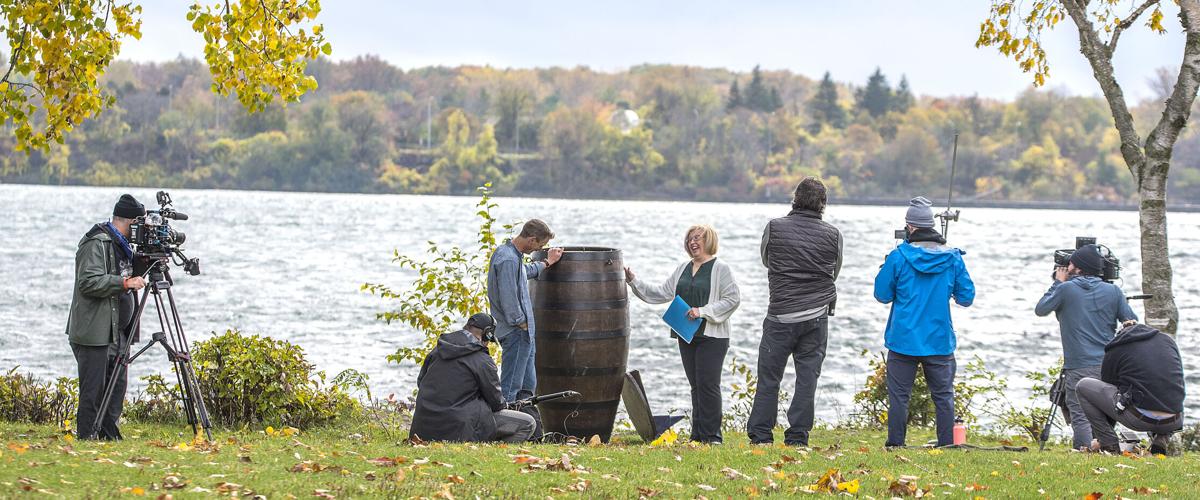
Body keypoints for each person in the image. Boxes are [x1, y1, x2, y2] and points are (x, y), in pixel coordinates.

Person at [747, 177, 842, 446]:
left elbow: (767, 260)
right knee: (807, 379)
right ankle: (798, 436)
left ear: (795, 198)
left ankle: (761, 435)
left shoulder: (774, 228)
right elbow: (834, 271)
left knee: (769, 378)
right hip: (816, 316)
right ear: (823, 204)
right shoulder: (834, 235)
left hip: (780, 315)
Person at [625, 225, 741, 444]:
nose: (692, 242)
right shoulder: (683, 268)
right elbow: (660, 293)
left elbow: (733, 299)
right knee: (696, 385)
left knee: (708, 384)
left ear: (709, 241)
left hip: (713, 336)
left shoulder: (720, 268)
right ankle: (697, 435)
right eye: (689, 239)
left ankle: (713, 437)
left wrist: (703, 311)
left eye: (697, 238)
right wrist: (634, 281)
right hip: (686, 335)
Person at [873, 196, 974, 447]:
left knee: (899, 396)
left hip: (903, 339)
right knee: (943, 396)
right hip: (939, 339)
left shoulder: (898, 257)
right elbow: (966, 297)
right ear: (933, 226)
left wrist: (886, 268)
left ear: (910, 227)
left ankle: (896, 443)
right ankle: (947, 444)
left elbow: (882, 294)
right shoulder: (952, 258)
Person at [1035, 243, 1137, 450]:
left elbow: (1041, 309)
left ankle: (1082, 452)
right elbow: (1131, 322)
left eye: (1071, 263)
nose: (1067, 266)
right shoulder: (1113, 291)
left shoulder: (1065, 289)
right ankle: (1102, 447)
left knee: (1079, 412)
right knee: (1107, 410)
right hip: (1108, 364)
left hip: (1079, 364)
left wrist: (1057, 282)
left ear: (1079, 268)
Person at [66, 194, 147, 440]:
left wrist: (145, 263)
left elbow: (128, 272)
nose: (140, 230)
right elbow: (88, 282)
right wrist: (125, 283)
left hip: (116, 331)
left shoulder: (122, 245)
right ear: (130, 222)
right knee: (94, 389)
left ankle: (109, 435)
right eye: (139, 225)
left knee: (116, 387)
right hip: (94, 332)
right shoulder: (97, 242)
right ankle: (87, 437)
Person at [409, 313, 537, 443]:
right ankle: (496, 454)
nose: (487, 344)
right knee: (527, 423)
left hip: (422, 431)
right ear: (487, 334)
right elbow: (497, 402)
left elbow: (421, 382)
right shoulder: (482, 360)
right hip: (459, 430)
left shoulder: (436, 351)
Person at [1076, 323, 1185, 455]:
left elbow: (1107, 388)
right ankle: (1162, 439)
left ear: (1121, 334)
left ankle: (1108, 444)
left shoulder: (1117, 347)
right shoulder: (1167, 341)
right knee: (1166, 390)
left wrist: (1101, 437)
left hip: (1140, 419)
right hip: (1174, 419)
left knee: (1083, 386)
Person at [487, 219, 563, 402]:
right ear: (531, 239)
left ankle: (526, 427)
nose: (538, 249)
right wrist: (521, 323)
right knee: (511, 387)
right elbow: (509, 299)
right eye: (540, 245)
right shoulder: (508, 259)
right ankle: (504, 427)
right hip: (516, 332)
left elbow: (523, 273)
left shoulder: (512, 256)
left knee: (528, 386)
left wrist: (546, 263)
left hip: (524, 333)